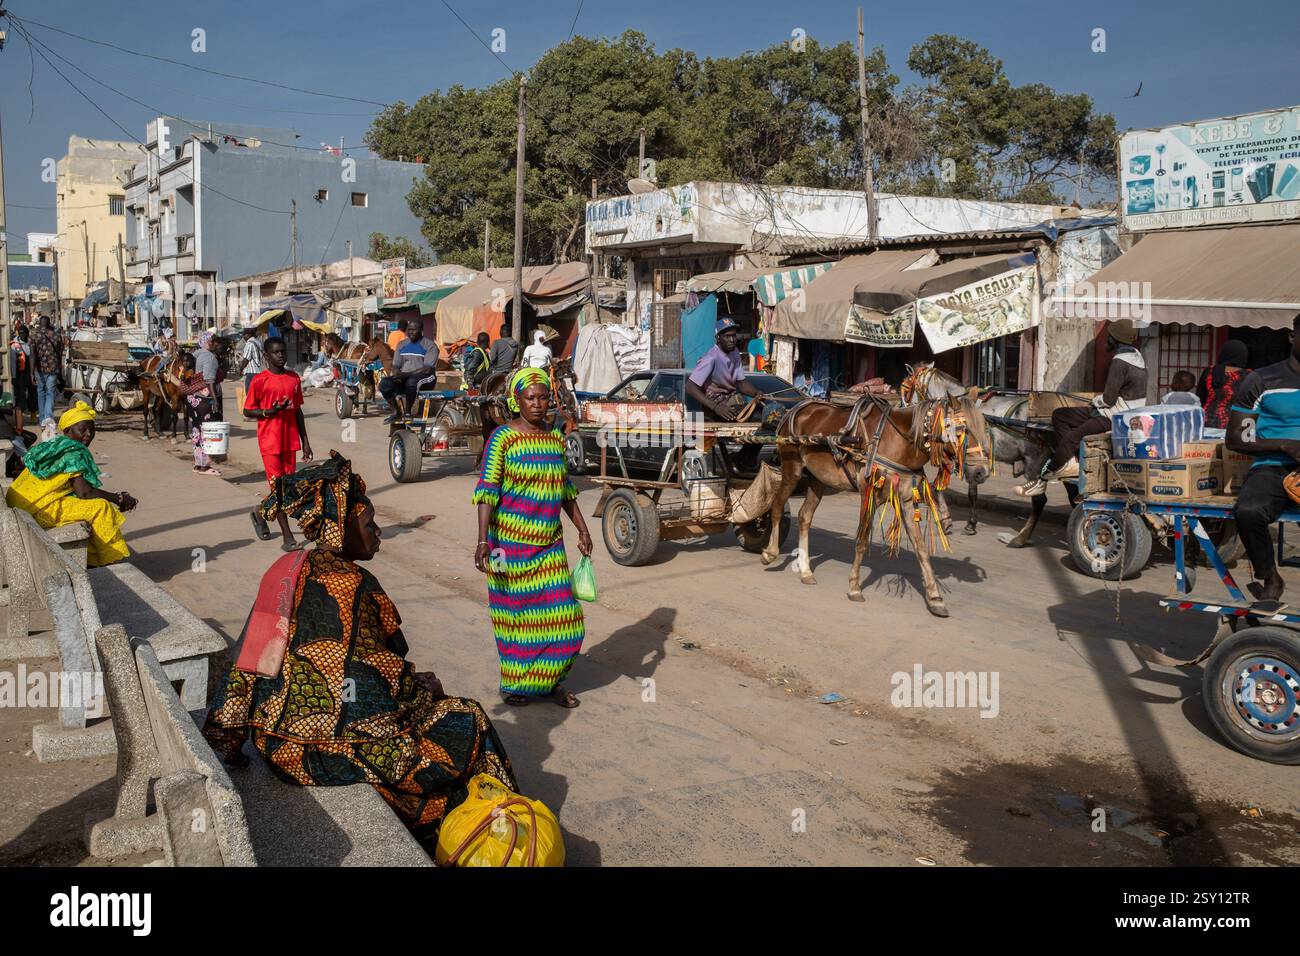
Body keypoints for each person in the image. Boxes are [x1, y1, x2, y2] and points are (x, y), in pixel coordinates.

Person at [202, 452, 517, 853]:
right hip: (327, 756)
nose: (378, 533)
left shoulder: (284, 572)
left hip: (278, 750)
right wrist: (426, 693)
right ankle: (502, 834)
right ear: (341, 529)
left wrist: (227, 741)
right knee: (468, 718)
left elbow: (247, 665)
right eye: (369, 524)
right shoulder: (357, 584)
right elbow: (380, 686)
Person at [473, 367, 592, 708]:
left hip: (549, 545)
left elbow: (566, 489)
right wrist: (483, 540)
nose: (539, 404)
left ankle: (548, 680)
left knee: (568, 624)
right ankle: (516, 685)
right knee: (517, 622)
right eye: (531, 398)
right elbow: (487, 490)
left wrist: (582, 528)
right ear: (517, 401)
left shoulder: (555, 437)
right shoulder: (502, 438)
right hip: (507, 546)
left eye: (543, 397)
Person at [1017, 318, 1147, 497]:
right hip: (1124, 412)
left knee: (1071, 438)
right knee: (1061, 415)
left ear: (1115, 339)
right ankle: (1073, 460)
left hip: (1114, 417)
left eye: (1110, 336)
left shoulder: (1119, 361)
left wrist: (1096, 401)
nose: (1107, 339)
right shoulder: (1137, 356)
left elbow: (1108, 399)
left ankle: (1043, 478)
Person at [5, 401, 137, 566]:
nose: (88, 434)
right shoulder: (73, 452)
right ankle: (108, 562)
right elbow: (84, 493)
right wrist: (118, 498)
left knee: (87, 505)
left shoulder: (53, 444)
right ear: (67, 430)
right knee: (101, 508)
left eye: (92, 429)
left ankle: (92, 558)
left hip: (19, 503)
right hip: (37, 510)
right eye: (82, 430)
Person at [1226, 314, 1300, 605]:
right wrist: (1284, 445)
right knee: (1249, 511)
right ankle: (1270, 576)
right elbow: (1234, 438)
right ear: (1292, 337)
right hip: (1272, 465)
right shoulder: (1261, 380)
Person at [245, 337, 314, 550]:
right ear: (266, 356)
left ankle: (259, 512)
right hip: (270, 442)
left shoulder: (294, 379)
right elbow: (248, 410)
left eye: (283, 351)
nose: (281, 355)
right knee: (280, 491)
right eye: (276, 352)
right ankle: (287, 538)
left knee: (288, 489)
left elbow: (298, 411)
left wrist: (305, 441)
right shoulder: (259, 380)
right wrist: (268, 412)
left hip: (290, 441)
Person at [685, 317, 764, 421]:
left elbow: (742, 384)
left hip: (730, 402)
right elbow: (690, 386)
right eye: (727, 336)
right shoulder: (711, 357)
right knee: (757, 418)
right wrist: (715, 407)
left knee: (764, 413)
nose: (732, 340)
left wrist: (757, 393)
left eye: (733, 335)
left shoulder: (735, 352)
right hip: (714, 410)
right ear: (718, 338)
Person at [378, 319, 438, 422]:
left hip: (426, 378)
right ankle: (396, 412)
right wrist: (397, 375)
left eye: (414, 330)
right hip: (405, 377)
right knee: (384, 383)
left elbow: (427, 368)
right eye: (409, 330)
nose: (411, 332)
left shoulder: (430, 345)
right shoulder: (402, 344)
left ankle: (408, 412)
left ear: (421, 330)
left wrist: (406, 375)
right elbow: (396, 365)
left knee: (411, 381)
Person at [178, 352, 221, 477]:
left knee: (196, 431)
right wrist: (214, 398)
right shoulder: (190, 373)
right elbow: (207, 381)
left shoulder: (189, 371)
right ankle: (204, 466)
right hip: (200, 403)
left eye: (188, 361)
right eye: (184, 361)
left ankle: (198, 464)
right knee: (204, 432)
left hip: (192, 402)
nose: (186, 363)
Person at [1198, 339, 1251, 429]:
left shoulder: (1209, 371)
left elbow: (1200, 396)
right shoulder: (1248, 375)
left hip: (1207, 421)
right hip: (1236, 422)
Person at [30, 316, 62, 426]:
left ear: (39, 323)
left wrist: (31, 372)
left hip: (39, 369)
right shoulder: (56, 335)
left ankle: (42, 419)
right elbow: (60, 354)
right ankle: (48, 417)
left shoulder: (34, 335)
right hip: (53, 368)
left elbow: (33, 355)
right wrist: (60, 370)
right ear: (49, 324)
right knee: (50, 392)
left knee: (41, 392)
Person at [9, 327, 37, 434]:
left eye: (24, 333)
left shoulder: (31, 343)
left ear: (28, 333)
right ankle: (20, 422)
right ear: (18, 333)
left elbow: (34, 357)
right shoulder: (14, 345)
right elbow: (12, 362)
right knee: (20, 396)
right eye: (20, 333)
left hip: (30, 372)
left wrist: (34, 373)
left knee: (33, 392)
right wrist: (13, 376)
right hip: (20, 374)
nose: (22, 334)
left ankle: (33, 413)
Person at [194, 330, 224, 420]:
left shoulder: (196, 353)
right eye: (212, 341)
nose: (216, 344)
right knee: (212, 429)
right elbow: (209, 380)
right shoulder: (210, 357)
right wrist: (215, 400)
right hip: (208, 398)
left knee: (200, 427)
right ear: (207, 342)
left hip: (197, 395)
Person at [238, 326, 266, 391]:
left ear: (248, 334)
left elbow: (246, 359)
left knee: (250, 395)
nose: (243, 337)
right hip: (260, 372)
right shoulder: (258, 342)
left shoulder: (249, 344)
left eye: (244, 335)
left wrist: (241, 369)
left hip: (252, 373)